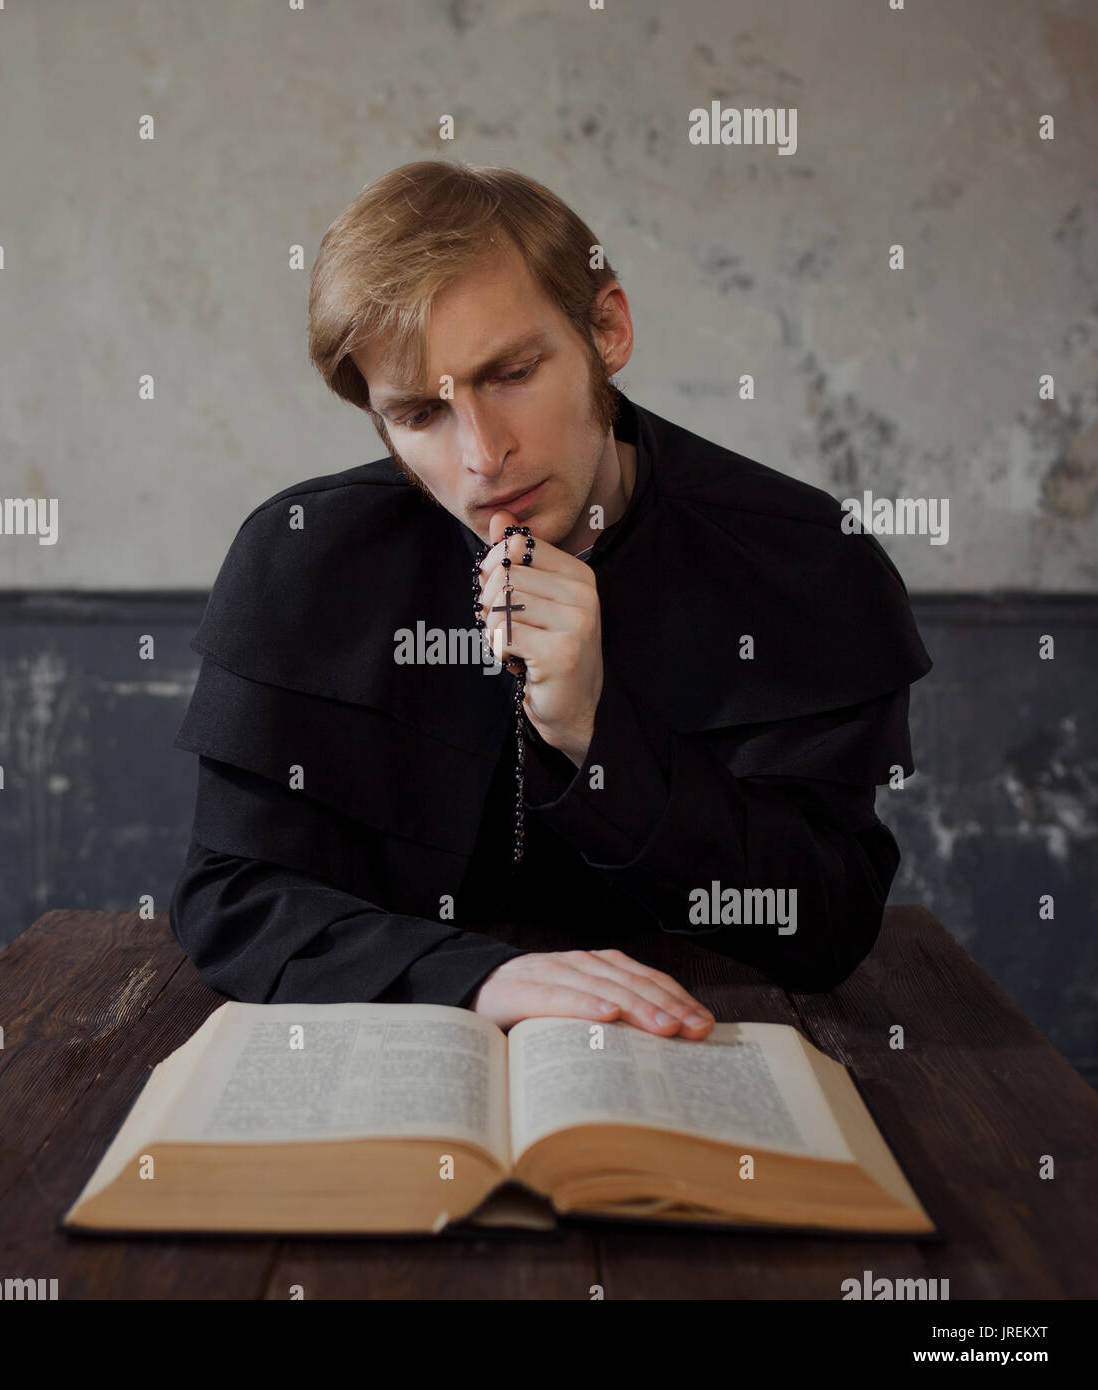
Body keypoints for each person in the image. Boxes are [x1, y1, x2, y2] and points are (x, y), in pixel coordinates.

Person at [168, 160, 932, 1043]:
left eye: (512, 372)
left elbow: (824, 925)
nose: (484, 457)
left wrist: (596, 734)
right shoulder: (302, 557)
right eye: (422, 414)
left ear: (606, 330)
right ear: (383, 426)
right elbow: (232, 896)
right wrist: (482, 979)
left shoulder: (807, 560)